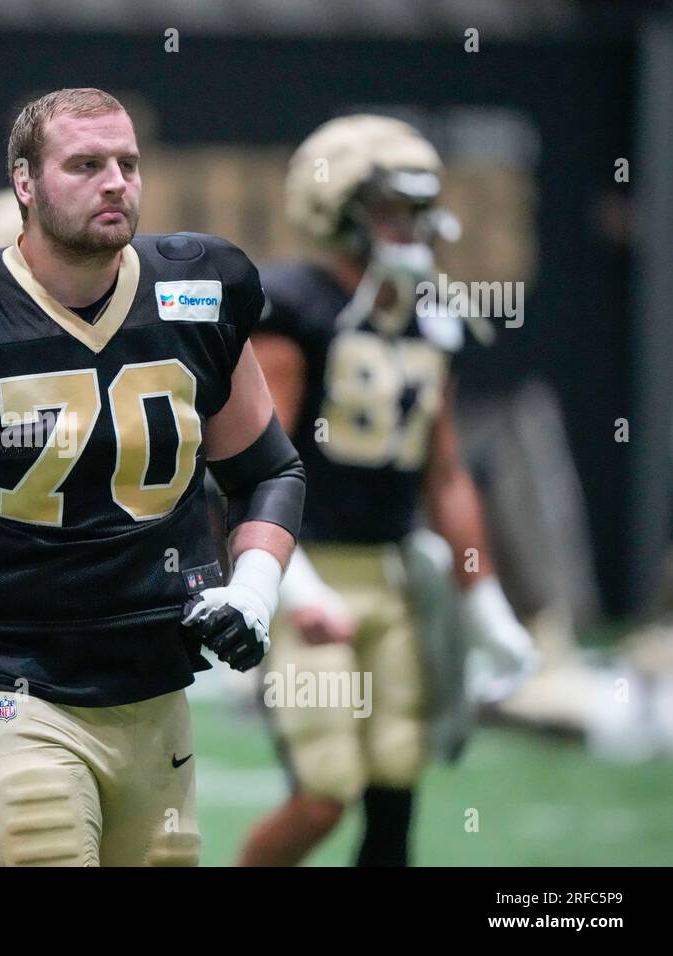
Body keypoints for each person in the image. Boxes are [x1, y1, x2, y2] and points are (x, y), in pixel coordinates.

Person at [0, 88, 305, 866]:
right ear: (25, 184)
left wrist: (253, 591)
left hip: (151, 692)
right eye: (85, 164)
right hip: (0, 684)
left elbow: (269, 471)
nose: (115, 182)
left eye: (127, 163)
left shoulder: (197, 294)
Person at [239, 115, 537, 867]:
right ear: (337, 210)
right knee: (324, 790)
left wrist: (485, 599)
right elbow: (253, 462)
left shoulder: (426, 316)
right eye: (389, 207)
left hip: (395, 573)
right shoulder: (294, 303)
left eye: (415, 207)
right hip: (309, 572)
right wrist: (289, 581)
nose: (409, 226)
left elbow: (445, 473)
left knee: (399, 774)